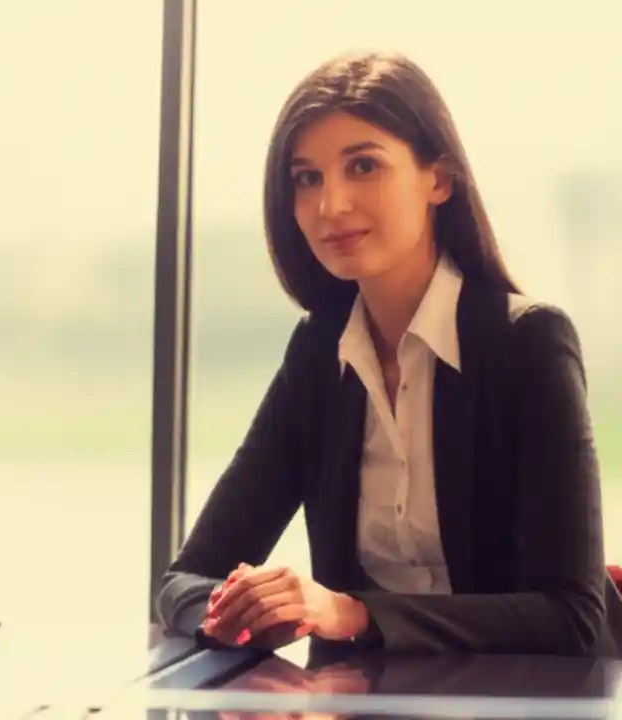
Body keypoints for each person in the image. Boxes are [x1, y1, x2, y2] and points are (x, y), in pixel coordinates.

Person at [156, 52, 622, 655]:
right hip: (362, 692)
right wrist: (237, 614)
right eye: (307, 178)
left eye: (364, 166)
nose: (331, 205)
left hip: (529, 694)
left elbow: (571, 617)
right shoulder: (319, 353)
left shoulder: (529, 343)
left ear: (439, 180)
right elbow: (186, 581)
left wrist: (354, 614)